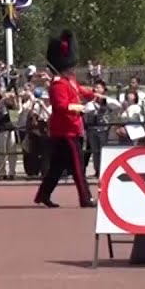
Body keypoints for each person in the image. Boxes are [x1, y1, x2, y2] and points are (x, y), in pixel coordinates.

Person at [33, 30, 96, 208]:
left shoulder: (69, 81)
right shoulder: (58, 84)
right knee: (77, 167)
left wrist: (95, 96)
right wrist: (81, 108)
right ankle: (85, 198)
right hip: (66, 131)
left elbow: (80, 91)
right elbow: (60, 107)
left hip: (69, 129)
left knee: (56, 167)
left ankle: (43, 195)